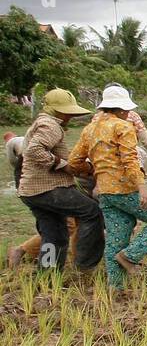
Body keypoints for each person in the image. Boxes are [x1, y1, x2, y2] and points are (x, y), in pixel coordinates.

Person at [66, 85, 147, 288]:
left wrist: (92, 170)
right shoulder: (123, 127)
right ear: (123, 109)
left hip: (103, 191)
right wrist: (142, 187)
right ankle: (130, 256)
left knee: (117, 236)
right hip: (125, 189)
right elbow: (130, 159)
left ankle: (116, 288)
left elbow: (73, 162)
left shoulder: (90, 129)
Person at [16, 89, 105, 274]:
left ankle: (47, 274)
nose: (70, 117)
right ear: (57, 111)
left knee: (55, 234)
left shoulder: (42, 123)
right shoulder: (50, 125)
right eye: (68, 112)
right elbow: (35, 150)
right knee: (91, 211)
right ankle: (85, 264)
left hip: (31, 191)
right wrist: (62, 165)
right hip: (48, 188)